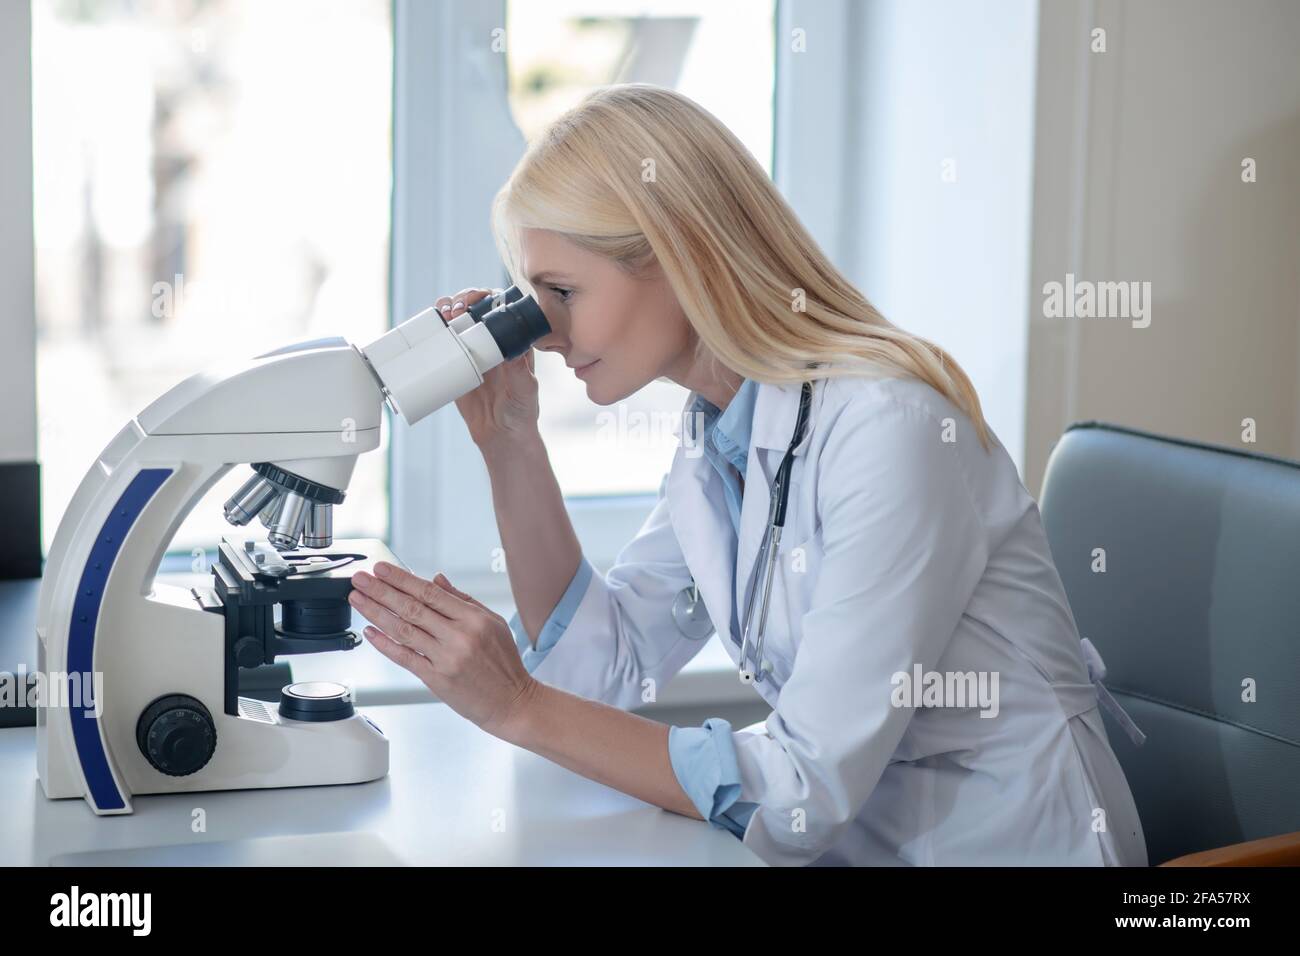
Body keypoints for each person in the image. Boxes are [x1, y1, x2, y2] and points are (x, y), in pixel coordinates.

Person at [346, 83, 1147, 866]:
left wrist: (517, 705)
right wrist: (510, 441)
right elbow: (605, 672)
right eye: (534, 298)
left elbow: (802, 793)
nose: (545, 334)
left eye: (561, 292)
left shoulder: (889, 431)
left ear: (682, 253)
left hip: (1012, 839)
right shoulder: (720, 434)